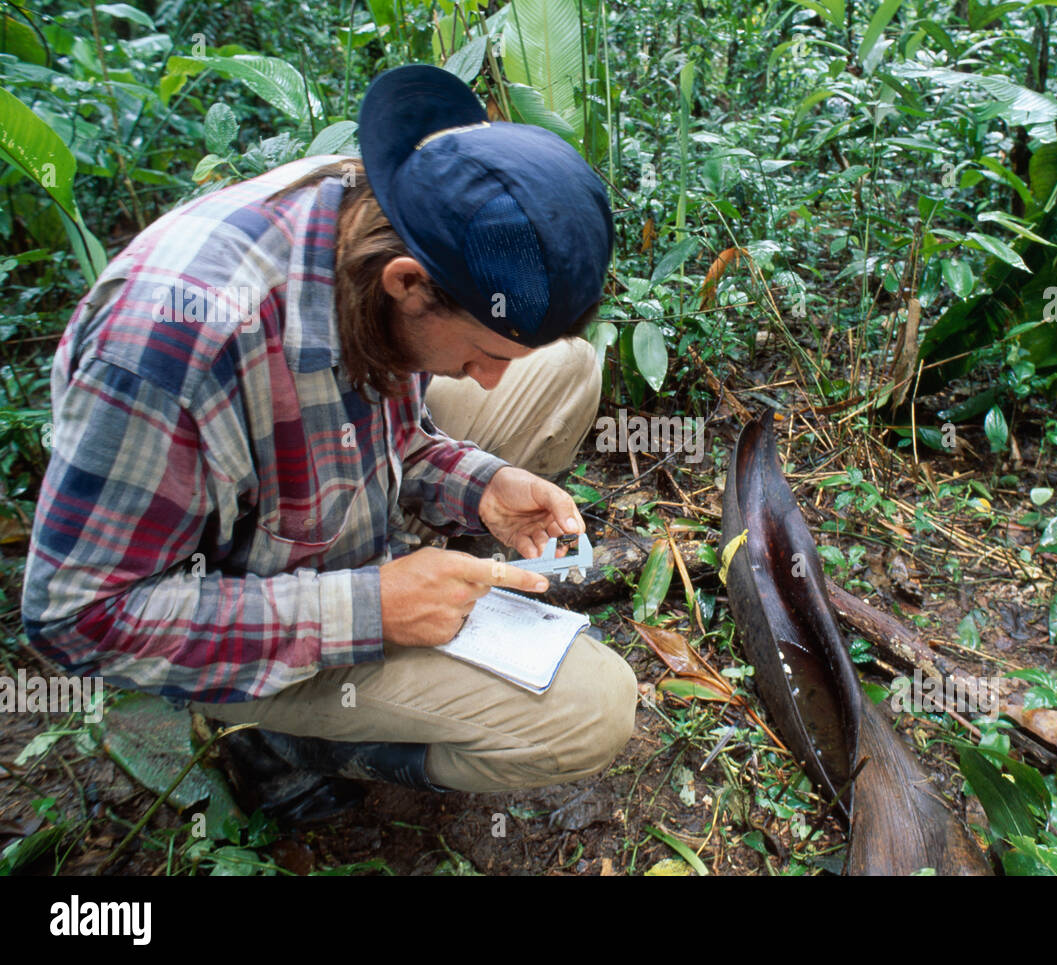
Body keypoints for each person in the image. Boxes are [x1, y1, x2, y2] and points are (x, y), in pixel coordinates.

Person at [21, 65, 637, 822]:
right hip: (233, 602)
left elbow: (391, 429)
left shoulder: (371, 221)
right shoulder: (173, 346)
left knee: (565, 370)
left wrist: (476, 484)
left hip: (315, 516)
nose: (485, 382)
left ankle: (404, 596)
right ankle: (266, 737)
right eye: (485, 353)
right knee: (592, 708)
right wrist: (369, 607)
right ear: (408, 282)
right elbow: (76, 617)